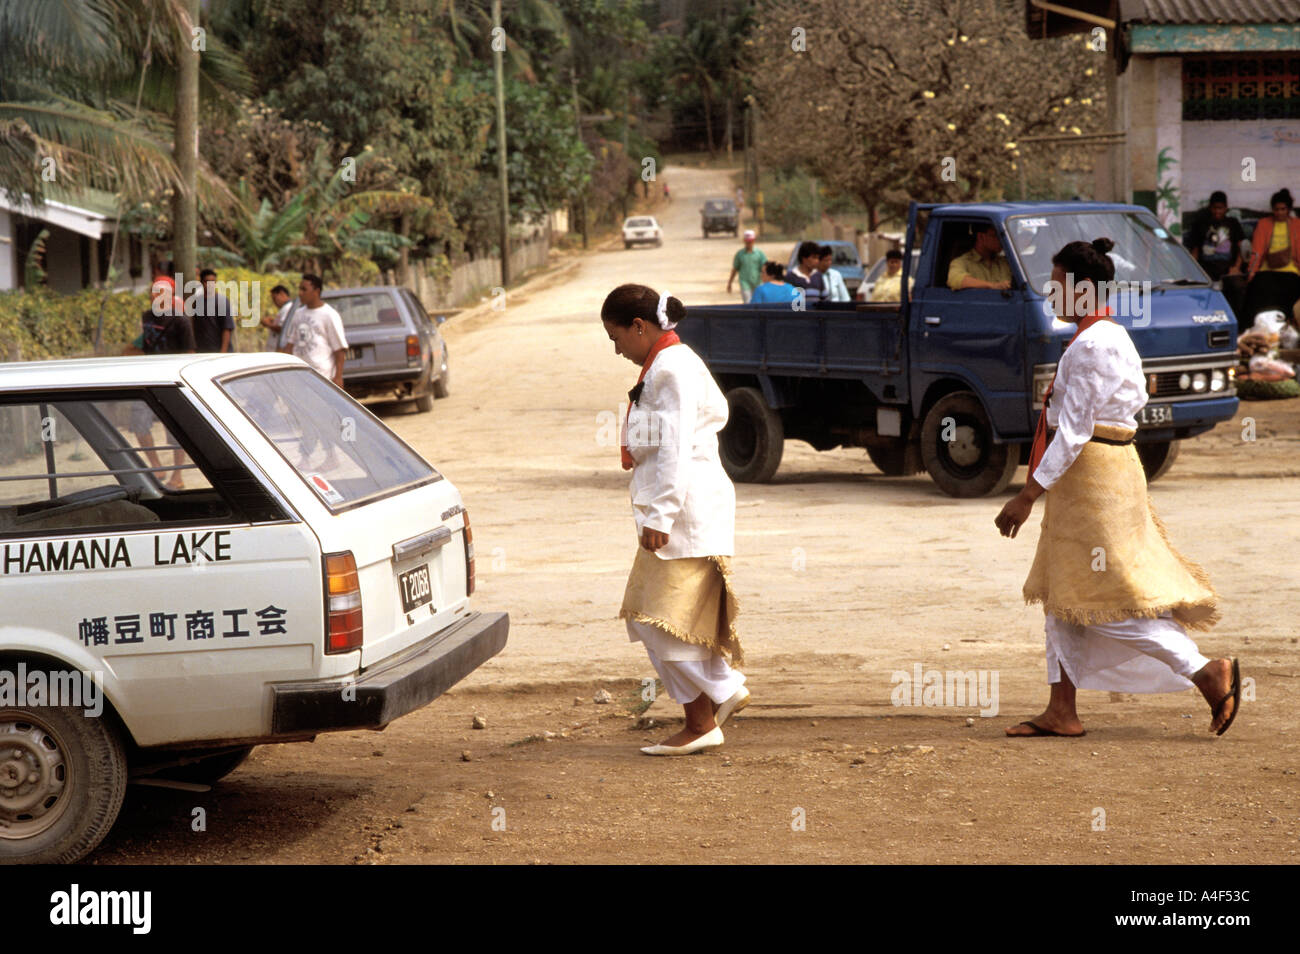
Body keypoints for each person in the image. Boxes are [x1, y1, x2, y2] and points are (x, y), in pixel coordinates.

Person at [994, 238, 1241, 739]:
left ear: (1082, 288)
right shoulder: (1108, 335)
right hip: (1098, 474)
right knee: (1065, 594)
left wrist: (1027, 495)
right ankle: (1061, 709)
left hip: (1093, 479)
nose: (1052, 293)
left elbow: (1076, 431)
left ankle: (1204, 670)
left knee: (1102, 598)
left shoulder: (1092, 344)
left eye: (1057, 283)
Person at [602, 284, 749, 756]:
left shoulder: (672, 369)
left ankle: (711, 706)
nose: (616, 348)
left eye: (616, 336)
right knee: (674, 619)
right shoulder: (665, 364)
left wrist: (661, 514)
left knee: (656, 620)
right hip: (681, 508)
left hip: (684, 511)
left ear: (639, 327)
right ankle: (713, 701)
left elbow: (675, 448)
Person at [124, 274, 195, 490]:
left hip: (171, 380)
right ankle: (156, 466)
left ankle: (177, 475)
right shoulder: (147, 317)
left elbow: (190, 352)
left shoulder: (181, 320)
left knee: (176, 431)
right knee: (139, 423)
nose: (154, 295)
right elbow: (145, 344)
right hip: (147, 378)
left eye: (160, 291)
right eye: (153, 291)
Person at [1242, 188, 1300, 326]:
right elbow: (1257, 251)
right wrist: (1251, 272)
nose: (1279, 212)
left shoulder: (1297, 225)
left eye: (1283, 209)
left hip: (1291, 270)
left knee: (1290, 289)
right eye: (1276, 209)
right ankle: (1257, 327)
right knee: (1258, 288)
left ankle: (1286, 326)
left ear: (1288, 209)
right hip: (1267, 269)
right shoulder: (1264, 224)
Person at [282, 273, 347, 387]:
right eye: (299, 289)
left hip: (322, 377)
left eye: (304, 289)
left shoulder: (329, 315)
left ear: (316, 291)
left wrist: (338, 377)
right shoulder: (298, 314)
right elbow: (290, 344)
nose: (300, 293)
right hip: (300, 376)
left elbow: (339, 350)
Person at [1183, 190, 1245, 281]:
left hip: (1228, 268)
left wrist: (1236, 267)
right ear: (1210, 207)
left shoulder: (1233, 223)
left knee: (1237, 285)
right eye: (1214, 208)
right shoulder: (1201, 223)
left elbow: (1242, 247)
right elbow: (1195, 250)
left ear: (1226, 208)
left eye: (1220, 208)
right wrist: (1193, 271)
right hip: (1205, 269)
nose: (1217, 211)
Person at [947, 224, 1012, 291]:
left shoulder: (1004, 262)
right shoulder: (962, 262)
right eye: (995, 236)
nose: (1001, 240)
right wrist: (992, 286)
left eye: (1001, 236)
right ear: (981, 237)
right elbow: (955, 279)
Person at [191, 267, 236, 353]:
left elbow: (227, 328)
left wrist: (222, 352)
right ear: (201, 283)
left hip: (218, 351)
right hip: (202, 351)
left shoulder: (221, 301)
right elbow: (195, 326)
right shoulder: (197, 302)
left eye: (213, 282)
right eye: (206, 282)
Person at [726, 230, 766, 303]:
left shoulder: (759, 254)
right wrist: (730, 283)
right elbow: (735, 269)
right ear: (744, 241)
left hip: (757, 283)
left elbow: (765, 269)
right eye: (747, 241)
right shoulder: (740, 254)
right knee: (747, 303)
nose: (749, 243)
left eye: (750, 241)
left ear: (754, 241)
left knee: (759, 303)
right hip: (745, 283)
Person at [261, 284, 294, 351]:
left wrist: (268, 324)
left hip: (278, 350)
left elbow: (283, 328)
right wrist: (273, 321)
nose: (274, 302)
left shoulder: (288, 308)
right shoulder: (285, 308)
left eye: (275, 298)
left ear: (282, 294)